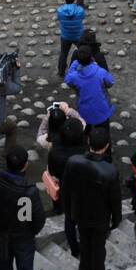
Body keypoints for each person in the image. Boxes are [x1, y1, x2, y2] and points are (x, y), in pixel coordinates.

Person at [60, 125, 122, 270]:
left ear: (88, 141)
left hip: (79, 212)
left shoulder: (73, 161)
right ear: (107, 145)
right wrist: (116, 219)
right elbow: (114, 200)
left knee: (85, 243)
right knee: (98, 248)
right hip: (100, 218)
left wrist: (69, 210)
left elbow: (66, 189)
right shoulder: (110, 171)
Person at [40, 110, 85, 258]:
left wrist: (47, 118)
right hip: (82, 190)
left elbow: (53, 173)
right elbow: (82, 123)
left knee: (69, 221)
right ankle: (86, 245)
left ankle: (74, 248)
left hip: (65, 189)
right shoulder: (84, 151)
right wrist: (70, 111)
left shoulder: (55, 151)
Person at [65, 45, 115, 132]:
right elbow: (110, 82)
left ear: (78, 60)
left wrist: (75, 64)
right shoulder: (100, 71)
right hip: (102, 111)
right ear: (92, 58)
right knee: (104, 132)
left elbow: (68, 79)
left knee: (85, 131)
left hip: (84, 113)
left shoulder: (74, 77)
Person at [56, 0, 86, 78]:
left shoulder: (60, 11)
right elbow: (82, 17)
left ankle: (61, 72)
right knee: (83, 52)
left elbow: (59, 19)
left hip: (66, 36)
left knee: (63, 53)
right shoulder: (80, 10)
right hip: (78, 36)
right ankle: (84, 69)